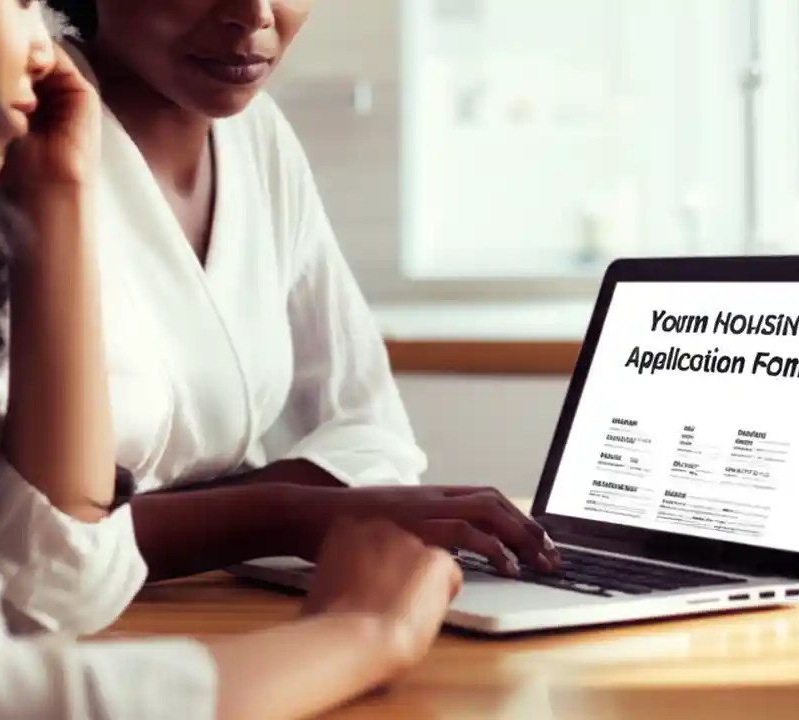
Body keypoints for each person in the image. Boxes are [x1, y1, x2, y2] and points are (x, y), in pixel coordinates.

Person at [0, 1, 461, 717]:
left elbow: (68, 578)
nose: (45, 48)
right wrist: (362, 633)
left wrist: (61, 186)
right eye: (23, 2)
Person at [33, 0, 564, 581]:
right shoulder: (18, 141)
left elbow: (374, 435)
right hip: (47, 636)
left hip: (219, 603)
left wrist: (196, 519)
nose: (254, 15)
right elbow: (21, 533)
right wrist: (288, 514)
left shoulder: (259, 140)